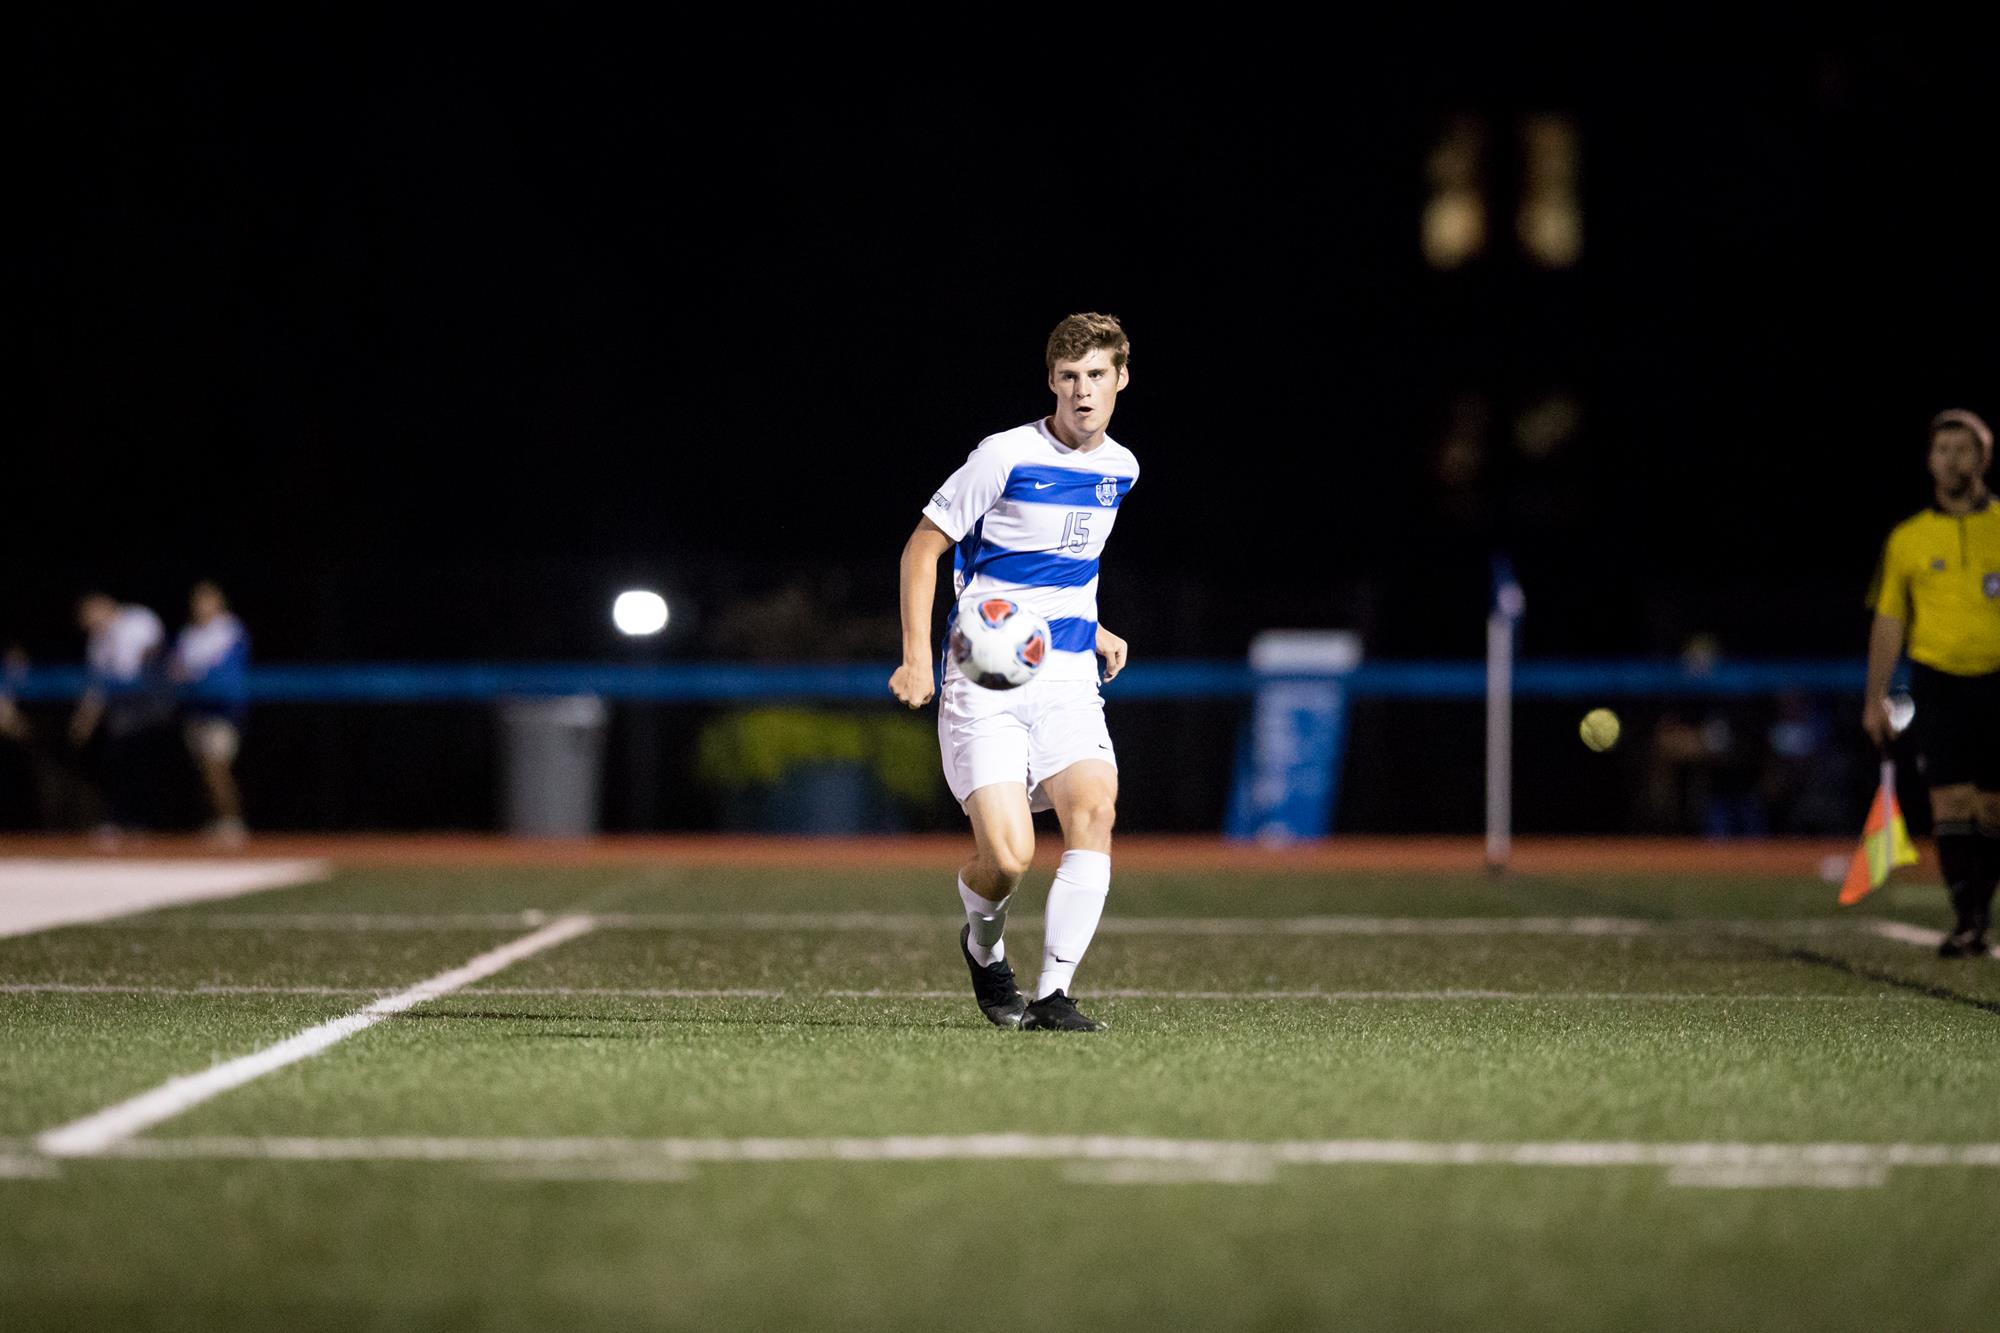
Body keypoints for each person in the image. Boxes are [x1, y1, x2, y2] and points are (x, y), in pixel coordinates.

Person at [889, 312, 1139, 1032]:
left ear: (1121, 378)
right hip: (984, 678)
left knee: (1094, 806)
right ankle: (983, 943)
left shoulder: (1121, 469)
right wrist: (915, 657)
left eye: (1096, 376)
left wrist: (1092, 627)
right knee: (1007, 857)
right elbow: (922, 549)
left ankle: (1055, 995)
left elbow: (1062, 573)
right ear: (1051, 381)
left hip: (1063, 675)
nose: (1082, 393)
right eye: (1068, 378)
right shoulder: (1004, 455)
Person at [1864, 408, 2000, 956]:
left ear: (1983, 456)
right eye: (1942, 450)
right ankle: (1966, 917)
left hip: (1996, 681)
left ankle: (1980, 914)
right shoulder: (1908, 539)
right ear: (1928, 461)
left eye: (1963, 448)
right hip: (1938, 680)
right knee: (1948, 801)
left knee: (1991, 807)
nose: (1952, 459)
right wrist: (1874, 695)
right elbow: (1889, 620)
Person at [70, 592, 171, 841]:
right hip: (121, 709)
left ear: (104, 605)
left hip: (149, 703)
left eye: (91, 617)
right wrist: (84, 721)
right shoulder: (97, 642)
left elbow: (159, 652)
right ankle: (120, 820)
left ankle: (144, 822)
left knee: (143, 761)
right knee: (117, 762)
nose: (90, 625)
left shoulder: (139, 618)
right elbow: (97, 687)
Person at [170, 581, 250, 846]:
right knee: (204, 771)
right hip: (196, 711)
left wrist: (196, 676)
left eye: (207, 600)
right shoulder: (189, 634)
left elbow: (226, 670)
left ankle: (233, 823)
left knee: (218, 769)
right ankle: (217, 821)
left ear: (219, 602)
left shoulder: (229, 629)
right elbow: (175, 667)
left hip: (222, 711)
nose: (200, 605)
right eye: (197, 600)